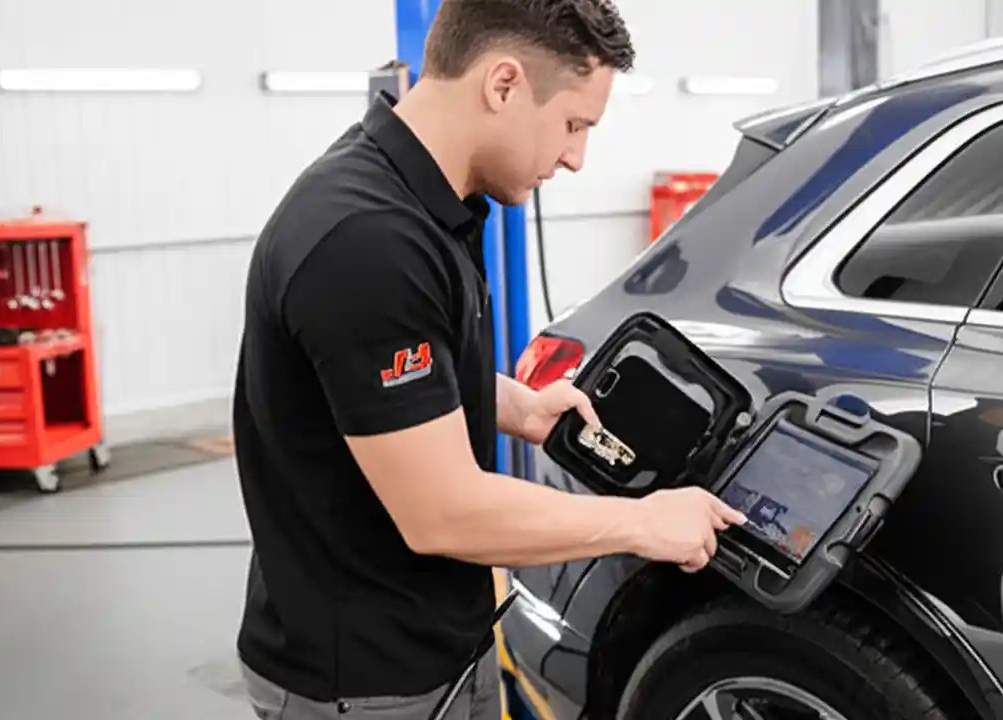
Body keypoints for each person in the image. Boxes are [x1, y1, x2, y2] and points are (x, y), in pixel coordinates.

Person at [231, 1, 747, 718]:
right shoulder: (368, 242)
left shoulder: (420, 194)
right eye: (574, 125)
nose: (576, 157)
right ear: (503, 85)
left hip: (439, 636)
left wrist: (520, 406)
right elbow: (444, 514)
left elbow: (381, 383)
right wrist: (641, 522)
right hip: (364, 683)